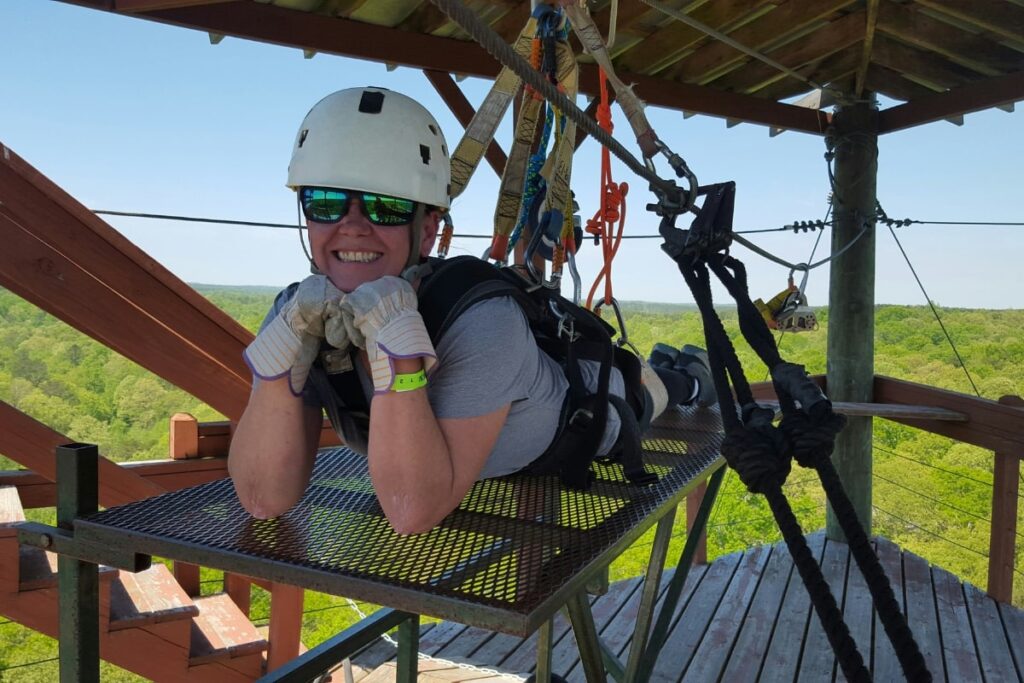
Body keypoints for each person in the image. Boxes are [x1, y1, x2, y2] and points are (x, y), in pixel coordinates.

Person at [228, 87, 713, 534]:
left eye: (388, 207)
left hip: (592, 408)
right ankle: (676, 367)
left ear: (431, 228)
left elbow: (411, 509)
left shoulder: (483, 323)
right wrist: (282, 360)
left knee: (651, 389)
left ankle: (689, 374)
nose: (353, 225)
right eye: (327, 201)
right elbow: (262, 496)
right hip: (483, 440)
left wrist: (396, 346)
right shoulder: (299, 316)